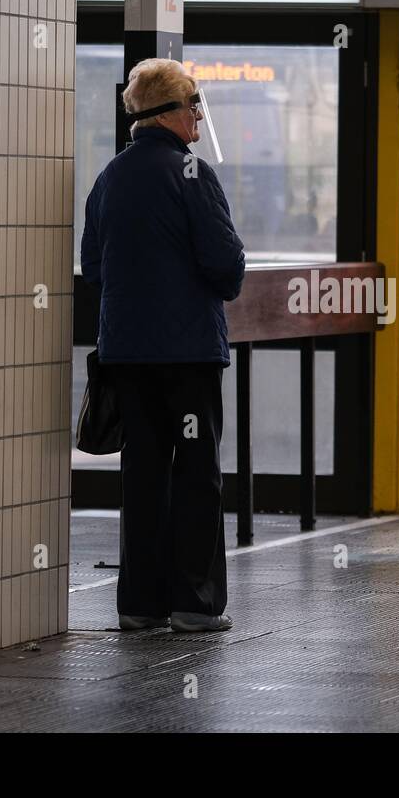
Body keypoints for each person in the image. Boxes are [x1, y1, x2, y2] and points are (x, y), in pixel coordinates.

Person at [81, 58, 246, 633]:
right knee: (195, 472)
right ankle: (194, 604)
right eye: (193, 104)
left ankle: (139, 605)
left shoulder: (109, 178)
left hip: (127, 355)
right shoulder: (193, 174)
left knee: (144, 472)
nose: (198, 115)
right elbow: (225, 265)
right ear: (170, 113)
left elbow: (94, 268)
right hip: (187, 356)